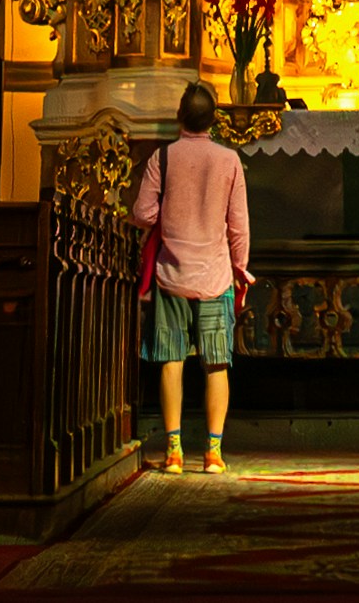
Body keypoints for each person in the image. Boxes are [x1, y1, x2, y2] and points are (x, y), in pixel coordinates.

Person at [133, 93, 254, 478]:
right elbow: (239, 225)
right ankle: (214, 453)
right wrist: (240, 268)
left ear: (179, 116)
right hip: (215, 277)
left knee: (172, 361)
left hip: (171, 275)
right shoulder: (229, 160)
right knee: (216, 364)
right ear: (214, 119)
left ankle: (173, 452)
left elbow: (142, 213)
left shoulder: (162, 158)